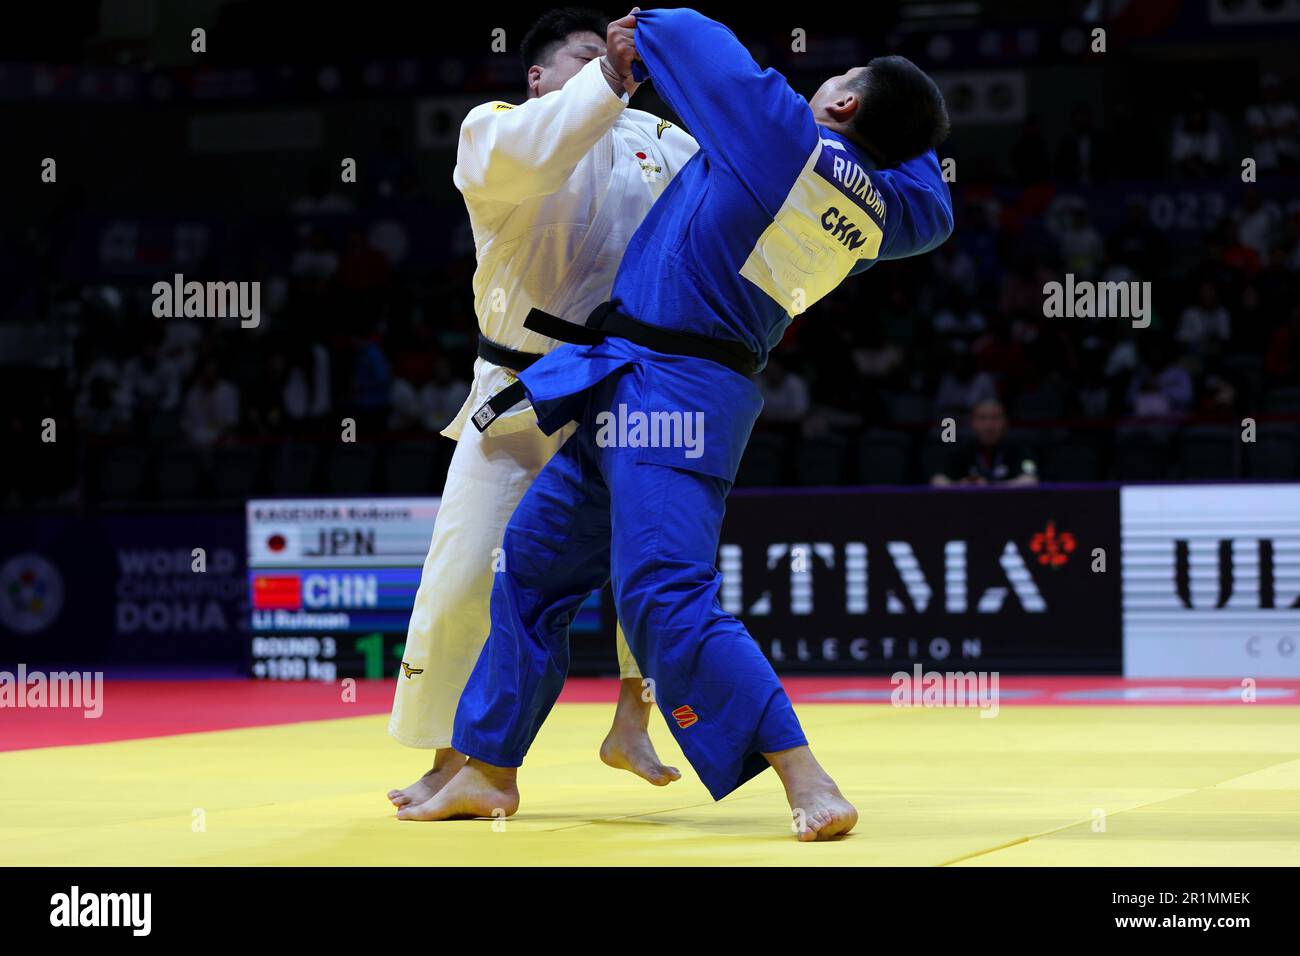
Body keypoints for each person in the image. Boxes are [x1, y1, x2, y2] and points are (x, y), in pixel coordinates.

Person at [411, 7, 953, 840]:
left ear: (842, 108)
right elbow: (937, 201)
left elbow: (704, 46)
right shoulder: (891, 212)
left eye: (835, 85)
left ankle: (804, 775)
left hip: (672, 392)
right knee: (531, 564)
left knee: (663, 590)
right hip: (628, 381)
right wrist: (899, 129)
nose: (816, 87)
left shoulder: (785, 142)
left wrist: (642, 23)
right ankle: (488, 767)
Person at [387, 7, 699, 809]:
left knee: (654, 566)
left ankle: (633, 720)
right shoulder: (494, 130)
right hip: (519, 394)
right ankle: (455, 755)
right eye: (590, 55)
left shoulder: (666, 141)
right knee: (464, 577)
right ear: (539, 76)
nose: (613, 65)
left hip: (627, 388)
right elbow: (541, 151)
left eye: (618, 56)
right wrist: (610, 73)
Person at [930, 400, 1038, 487]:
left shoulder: (1019, 448)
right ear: (972, 422)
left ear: (1005, 422)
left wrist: (989, 487)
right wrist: (960, 486)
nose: (989, 425)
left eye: (995, 418)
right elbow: (938, 481)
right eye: (982, 418)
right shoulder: (959, 449)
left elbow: (1030, 480)